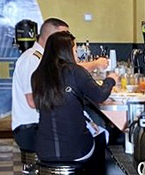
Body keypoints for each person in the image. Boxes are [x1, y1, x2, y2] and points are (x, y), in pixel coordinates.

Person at [31, 31, 115, 175]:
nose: (76, 54)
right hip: (75, 150)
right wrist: (110, 80)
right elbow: (100, 95)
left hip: (44, 150)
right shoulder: (75, 72)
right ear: (66, 51)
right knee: (103, 137)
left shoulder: (37, 75)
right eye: (75, 49)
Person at [11, 17, 107, 152]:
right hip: (31, 128)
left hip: (43, 125)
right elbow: (33, 101)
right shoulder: (32, 59)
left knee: (92, 125)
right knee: (95, 134)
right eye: (64, 35)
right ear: (53, 38)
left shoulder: (45, 59)